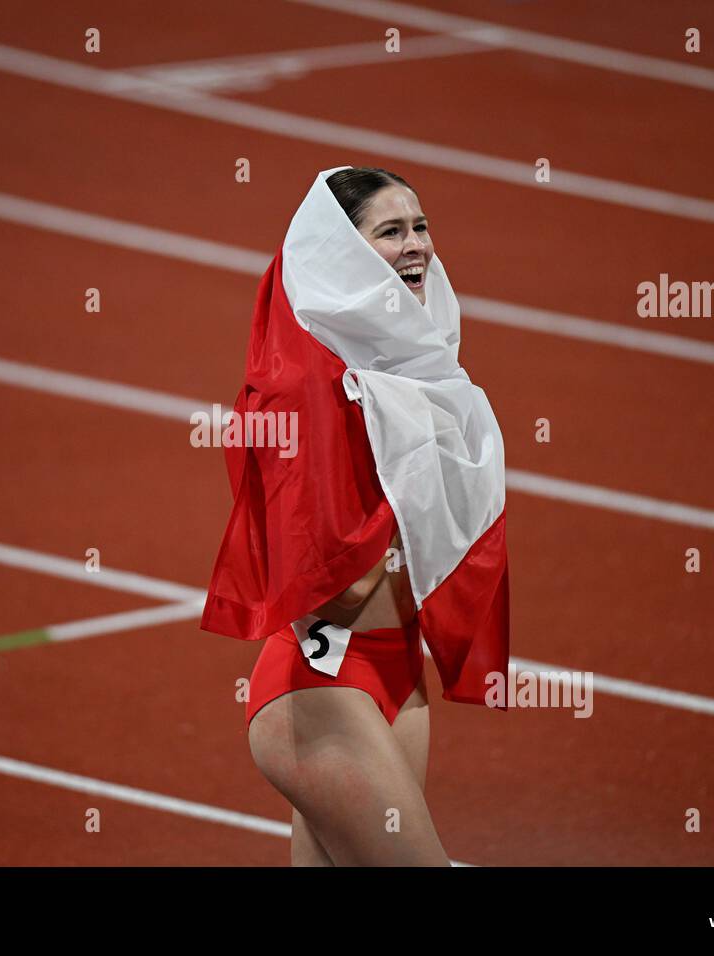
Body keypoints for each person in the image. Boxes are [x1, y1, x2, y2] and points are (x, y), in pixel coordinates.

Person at [201, 166, 510, 867]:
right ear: (341, 251)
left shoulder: (412, 369)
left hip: (399, 673)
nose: (417, 247)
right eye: (390, 232)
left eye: (421, 227)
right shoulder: (305, 388)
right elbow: (328, 582)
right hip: (320, 688)